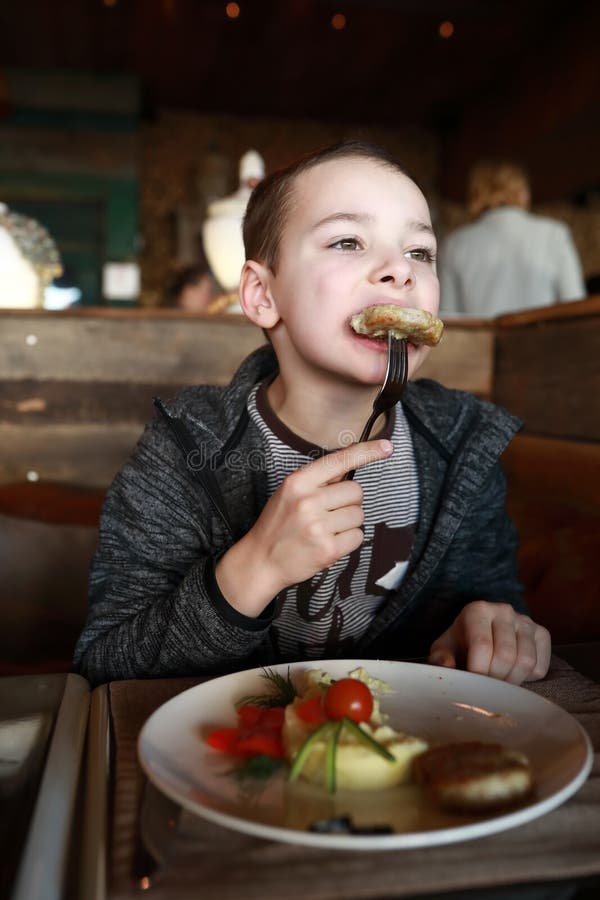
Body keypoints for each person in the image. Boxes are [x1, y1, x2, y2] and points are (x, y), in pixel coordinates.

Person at [74, 140, 551, 687]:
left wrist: (489, 628)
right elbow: (105, 662)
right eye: (348, 241)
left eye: (420, 252)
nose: (401, 271)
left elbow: (499, 608)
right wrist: (253, 568)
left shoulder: (464, 446)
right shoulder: (187, 450)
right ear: (261, 295)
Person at [438, 160, 586, 317]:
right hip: (542, 339)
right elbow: (575, 304)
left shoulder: (454, 244)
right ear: (522, 193)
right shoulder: (554, 234)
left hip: (481, 341)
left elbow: (449, 316)